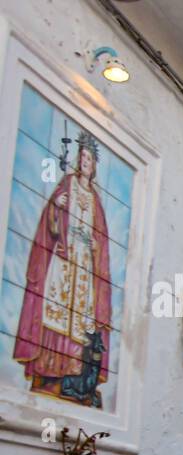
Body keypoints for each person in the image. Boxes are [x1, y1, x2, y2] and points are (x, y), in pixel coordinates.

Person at [13, 131, 113, 406]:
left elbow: (101, 240)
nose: (84, 162)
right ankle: (48, 371)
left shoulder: (95, 200)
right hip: (64, 258)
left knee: (81, 320)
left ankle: (72, 375)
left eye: (89, 159)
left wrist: (94, 246)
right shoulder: (67, 185)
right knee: (55, 312)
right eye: (82, 157)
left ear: (93, 167)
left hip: (84, 264)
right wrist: (57, 207)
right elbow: (52, 219)